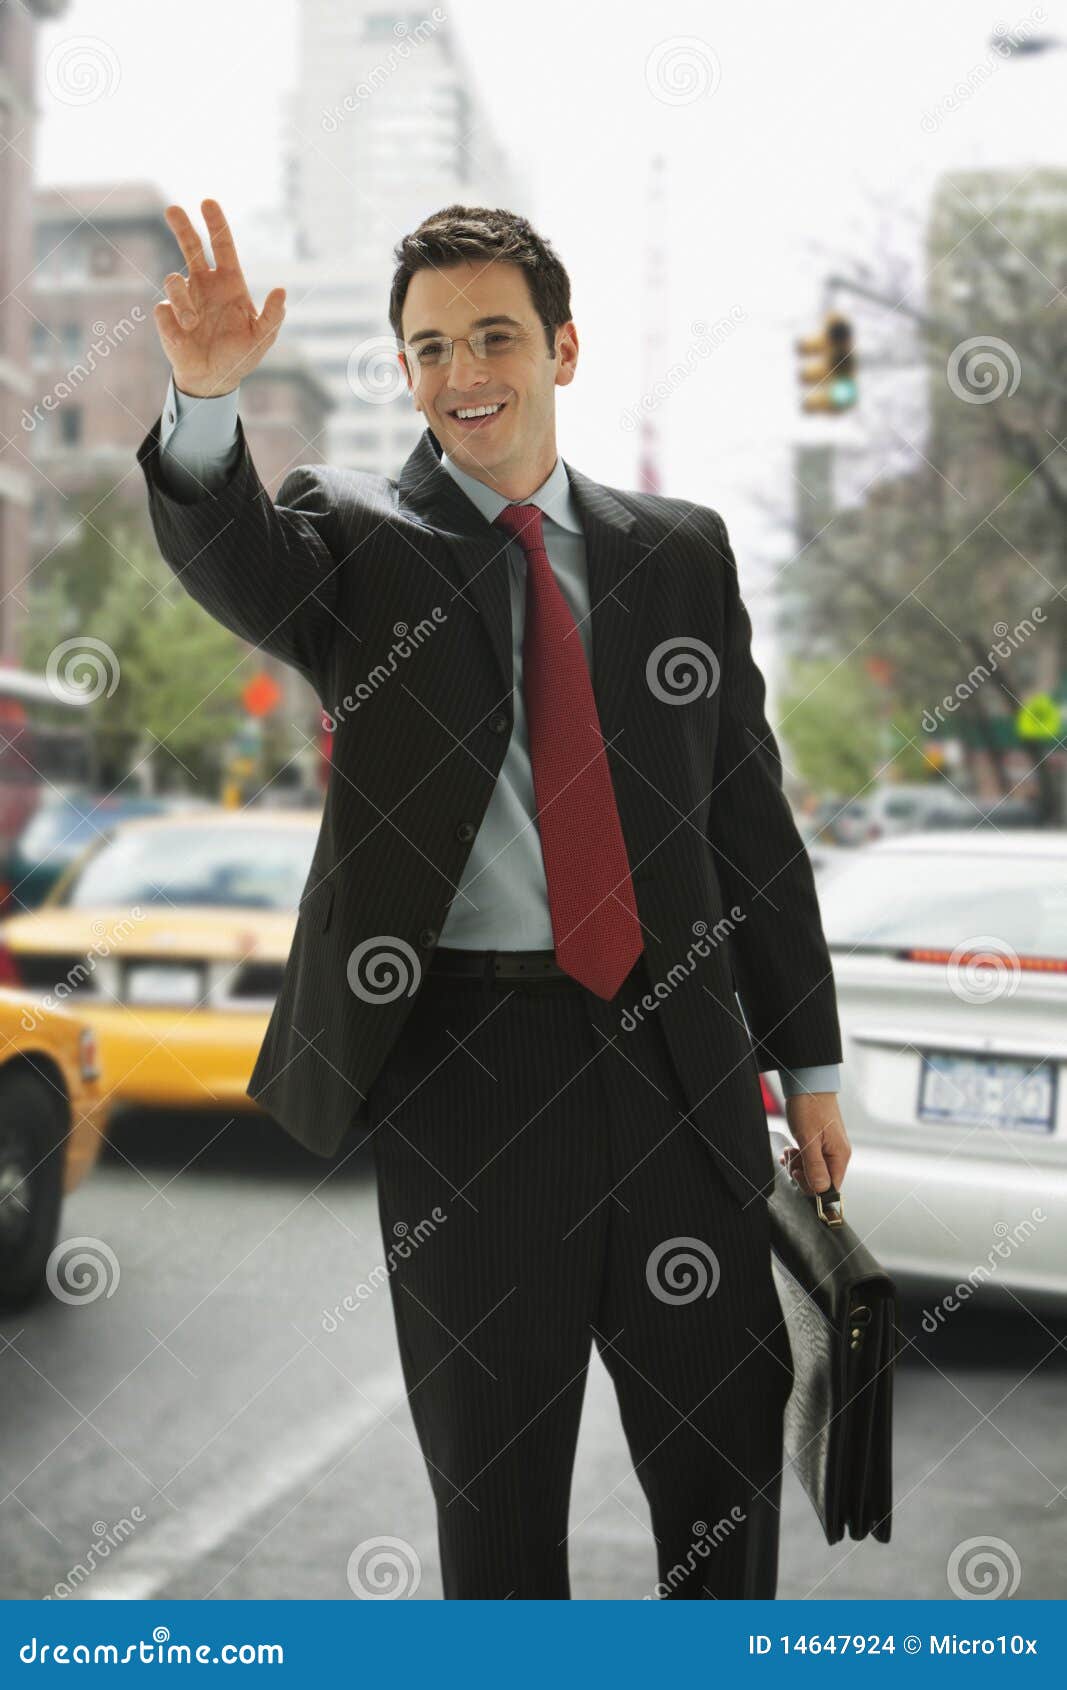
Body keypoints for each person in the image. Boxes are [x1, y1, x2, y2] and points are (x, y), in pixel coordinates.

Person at [138, 198, 850, 1600]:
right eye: (430, 347)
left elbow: (749, 825)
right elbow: (232, 559)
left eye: (494, 336)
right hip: (467, 1071)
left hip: (679, 1062)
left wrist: (809, 1061)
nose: (464, 371)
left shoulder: (681, 553)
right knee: (496, 1499)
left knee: (724, 1466)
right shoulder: (354, 536)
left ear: (564, 348)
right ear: (403, 373)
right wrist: (207, 406)